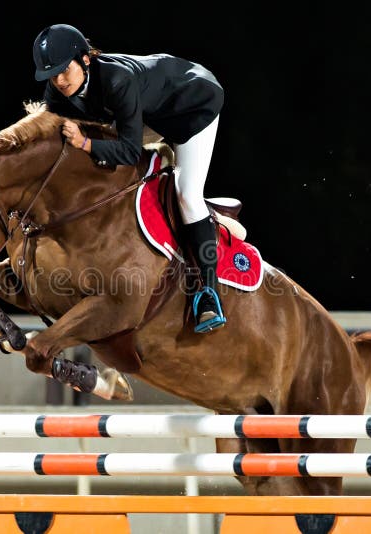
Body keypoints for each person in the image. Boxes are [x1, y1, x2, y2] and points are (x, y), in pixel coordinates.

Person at [31, 23, 226, 333]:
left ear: (84, 60)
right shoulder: (57, 88)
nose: (59, 80)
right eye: (51, 74)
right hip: (149, 107)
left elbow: (129, 150)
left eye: (64, 70)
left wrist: (85, 143)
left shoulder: (117, 80)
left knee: (186, 193)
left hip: (192, 105)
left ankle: (208, 292)